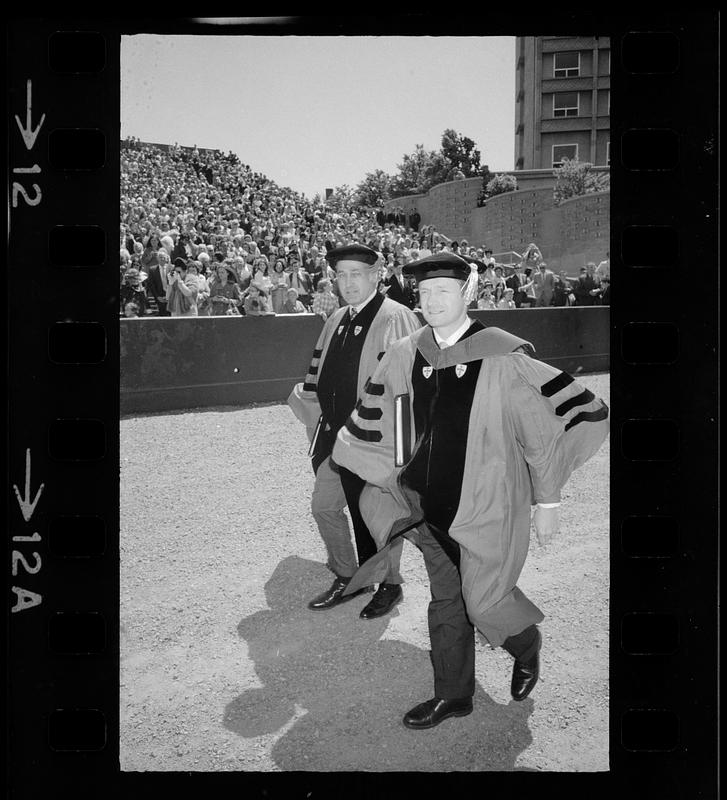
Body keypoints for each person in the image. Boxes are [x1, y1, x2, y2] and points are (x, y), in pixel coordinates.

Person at [332, 251, 609, 729]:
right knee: (446, 600)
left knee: (483, 600)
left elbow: (543, 433)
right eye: (423, 292)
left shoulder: (501, 356)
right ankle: (453, 694)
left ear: (469, 293)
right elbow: (379, 417)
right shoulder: (406, 352)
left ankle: (525, 643)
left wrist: (547, 500)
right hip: (427, 506)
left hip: (486, 505)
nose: (431, 301)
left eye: (443, 291)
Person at [287, 243, 421, 620]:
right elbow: (318, 375)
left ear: (376, 276)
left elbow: (409, 389)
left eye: (356, 274)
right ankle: (349, 575)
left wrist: (400, 451)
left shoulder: (396, 317)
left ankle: (390, 584)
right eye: (342, 275)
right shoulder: (337, 317)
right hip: (336, 438)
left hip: (374, 442)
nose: (348, 283)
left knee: (376, 515)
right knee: (324, 507)